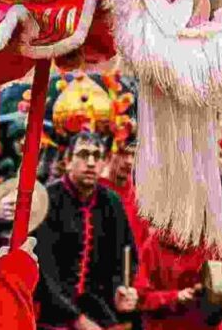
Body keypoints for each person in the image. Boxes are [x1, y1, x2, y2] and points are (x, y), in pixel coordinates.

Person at [35, 131, 138, 330]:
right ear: (67, 161)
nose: (91, 163)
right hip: (54, 315)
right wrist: (77, 319)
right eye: (83, 155)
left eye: (97, 156)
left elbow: (126, 257)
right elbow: (43, 271)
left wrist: (121, 289)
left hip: (100, 310)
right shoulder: (47, 199)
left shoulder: (112, 202)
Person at [116, 229, 222, 330]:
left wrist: (209, 293)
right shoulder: (154, 243)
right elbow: (141, 298)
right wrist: (175, 297)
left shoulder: (217, 243)